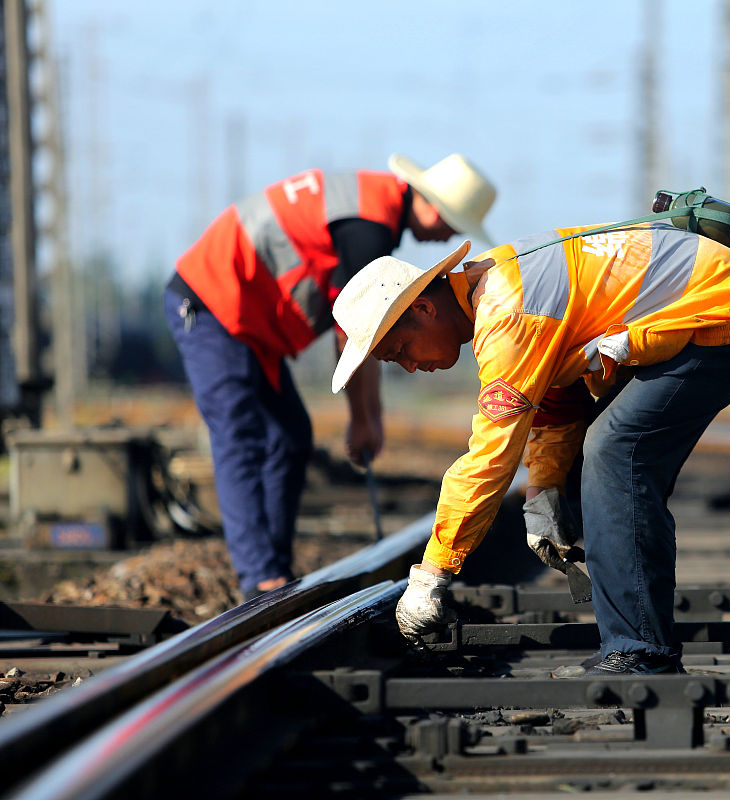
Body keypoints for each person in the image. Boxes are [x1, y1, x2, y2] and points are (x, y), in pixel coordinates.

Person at [331, 216, 730, 675]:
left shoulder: (507, 313)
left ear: (425, 310)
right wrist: (543, 492)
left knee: (615, 454)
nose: (408, 366)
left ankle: (639, 652)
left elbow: (490, 456)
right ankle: (632, 642)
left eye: (400, 349)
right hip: (710, 303)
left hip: (726, 312)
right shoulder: (499, 286)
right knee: (616, 452)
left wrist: (432, 573)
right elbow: (557, 400)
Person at [164, 154, 497, 600]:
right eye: (453, 224)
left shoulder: (371, 208)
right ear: (433, 207)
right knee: (238, 433)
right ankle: (259, 576)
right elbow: (358, 333)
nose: (449, 237)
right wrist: (364, 417)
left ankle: (273, 572)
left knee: (290, 436)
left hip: (247, 322)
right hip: (212, 303)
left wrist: (366, 416)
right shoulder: (366, 226)